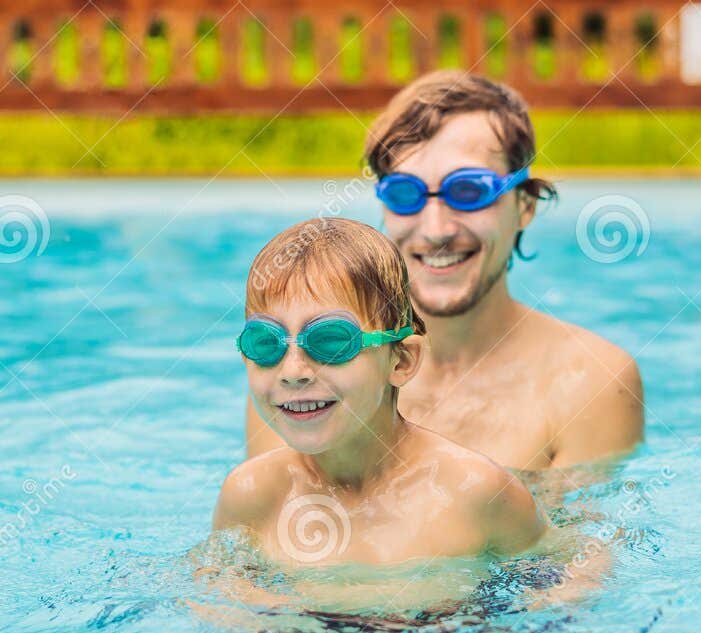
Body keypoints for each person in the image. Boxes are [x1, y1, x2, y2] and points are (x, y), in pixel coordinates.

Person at [247, 71, 643, 472]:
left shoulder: (591, 383)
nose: (436, 230)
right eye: (405, 194)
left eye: (469, 191)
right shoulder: (300, 374)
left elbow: (576, 537)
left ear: (525, 205)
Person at [213, 217, 546, 566]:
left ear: (401, 360)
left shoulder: (477, 493)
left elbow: (559, 586)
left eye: (331, 341)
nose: (293, 371)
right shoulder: (251, 495)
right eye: (265, 344)